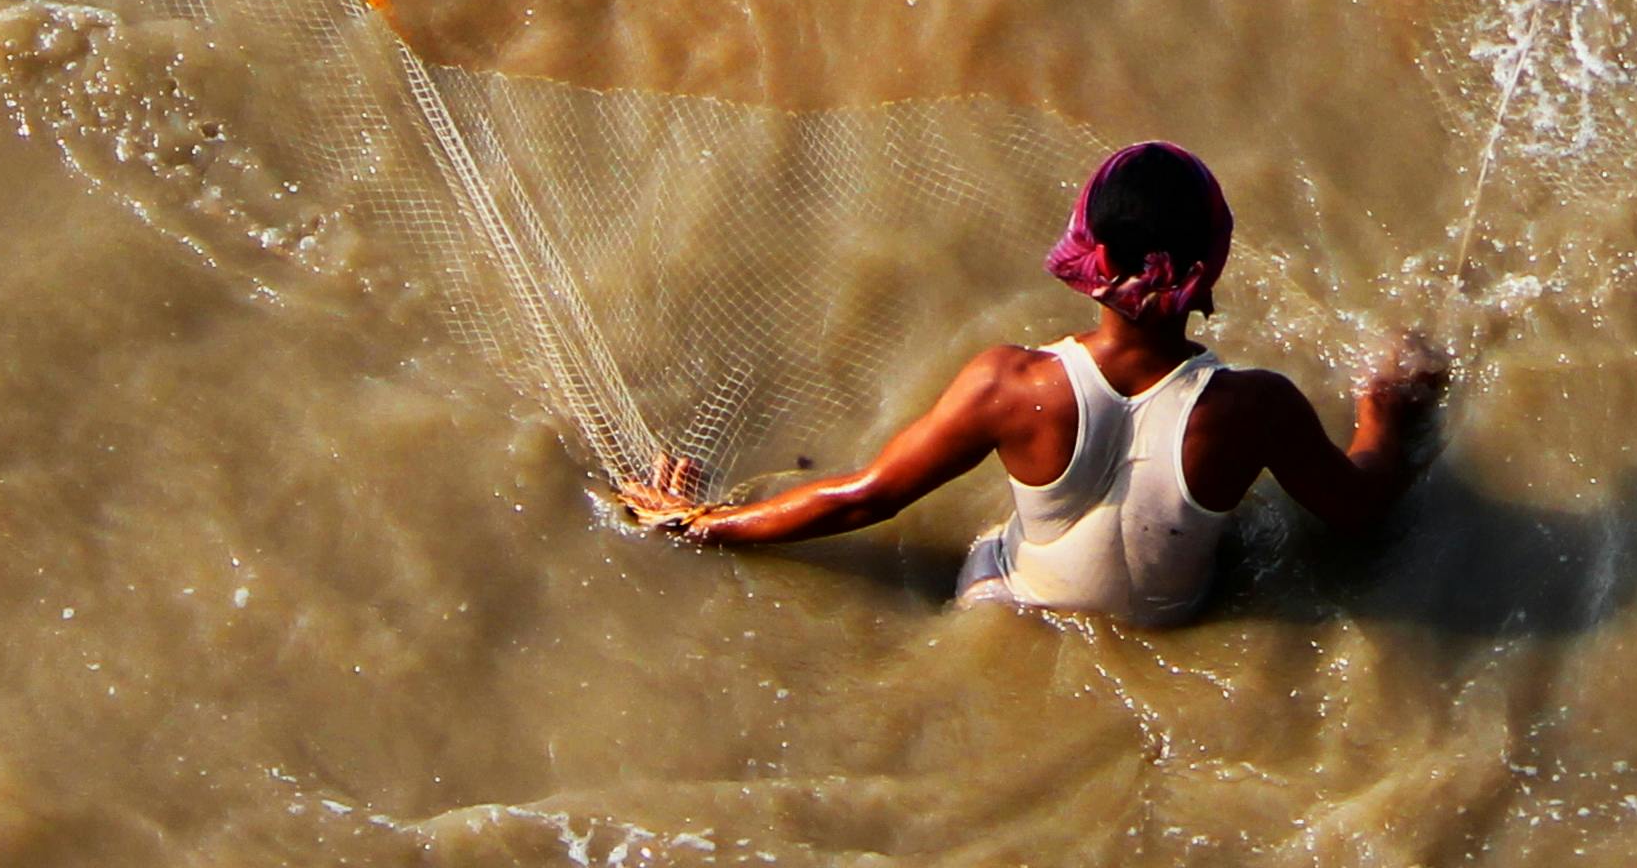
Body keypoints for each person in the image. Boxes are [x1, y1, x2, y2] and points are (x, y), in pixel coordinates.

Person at [614, 141, 1449, 624]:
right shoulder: (1254, 409)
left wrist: (703, 524)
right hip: (1178, 626)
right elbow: (1358, 506)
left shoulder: (1010, 386)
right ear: (1211, 265)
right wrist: (1383, 407)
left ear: (1094, 256)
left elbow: (866, 498)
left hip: (1006, 609)